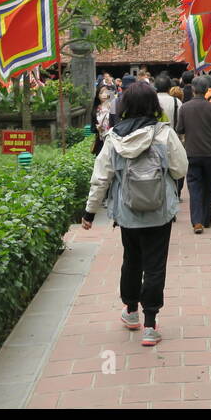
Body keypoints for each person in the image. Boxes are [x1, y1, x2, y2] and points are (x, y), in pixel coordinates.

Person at [81, 81, 187, 347]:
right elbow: (181, 169)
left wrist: (90, 212)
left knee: (132, 259)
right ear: (154, 105)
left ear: (124, 105)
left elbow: (101, 178)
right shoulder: (164, 134)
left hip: (126, 213)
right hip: (160, 211)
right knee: (155, 264)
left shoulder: (113, 137)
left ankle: (131, 312)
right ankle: (150, 325)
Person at [175, 75, 211, 234]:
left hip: (192, 152)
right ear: (206, 90)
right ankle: (207, 219)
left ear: (194, 89)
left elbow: (180, 129)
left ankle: (197, 222)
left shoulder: (184, 108)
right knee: (208, 186)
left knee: (195, 187)